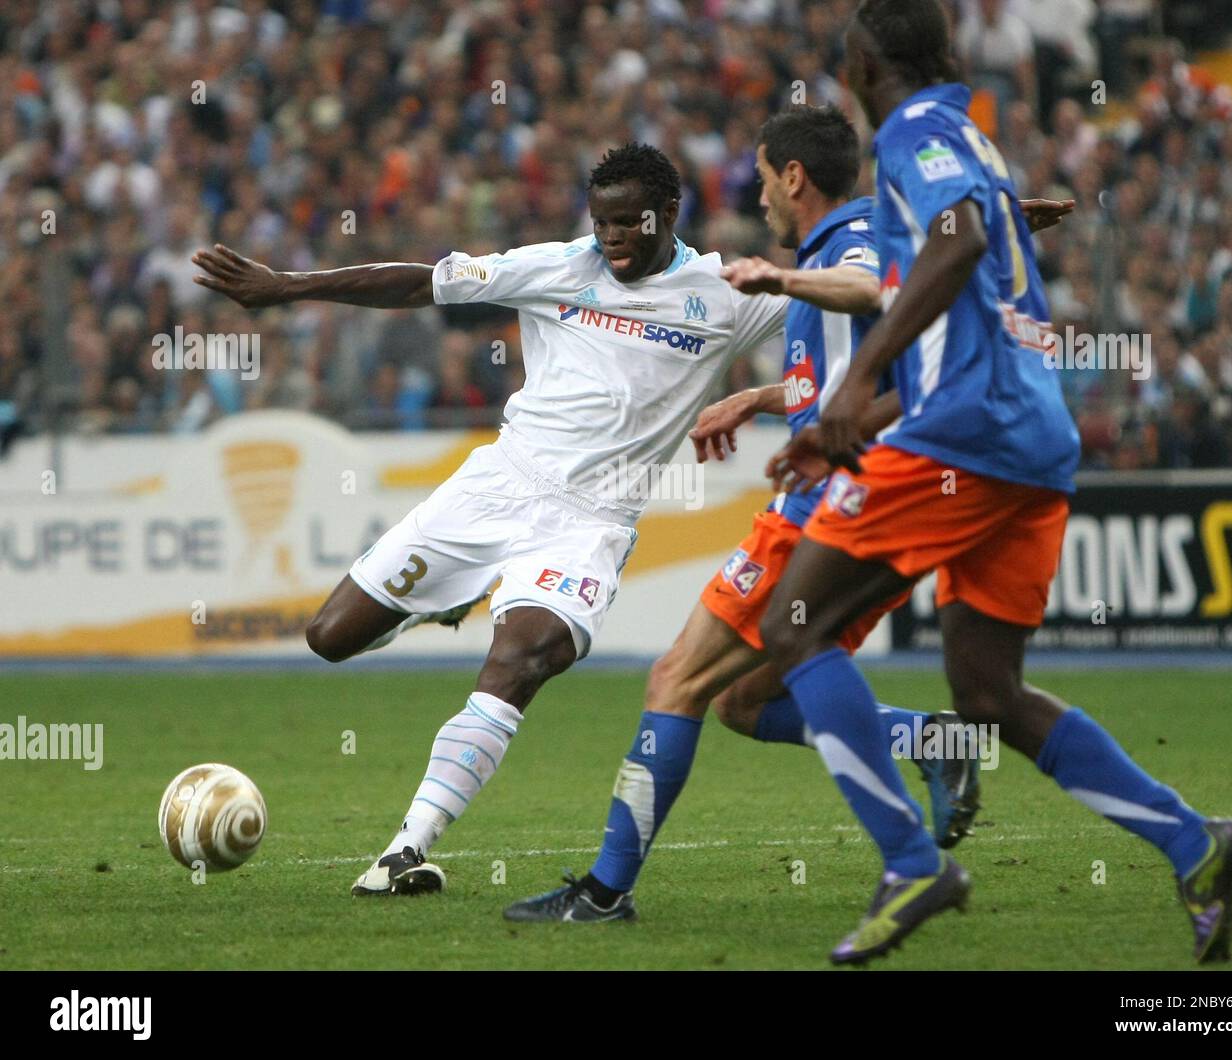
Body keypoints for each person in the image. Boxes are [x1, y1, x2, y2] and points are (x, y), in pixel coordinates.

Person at [757, 0, 1232, 965]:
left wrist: (856, 389)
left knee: (792, 627)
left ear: (863, 63)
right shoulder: (975, 141)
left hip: (968, 431)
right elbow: (955, 260)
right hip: (1035, 433)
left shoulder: (913, 133)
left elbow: (955, 245)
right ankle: (1195, 844)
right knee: (986, 692)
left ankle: (911, 863)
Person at [502, 106, 1074, 923]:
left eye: (764, 177)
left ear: (794, 177)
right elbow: (874, 345)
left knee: (678, 680)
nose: (758, 194)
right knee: (742, 701)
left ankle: (603, 891)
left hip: (829, 507)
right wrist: (762, 396)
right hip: (865, 506)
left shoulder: (846, 251)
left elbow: (895, 318)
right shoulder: (873, 228)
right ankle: (928, 739)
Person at [192, 143, 791, 897]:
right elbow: (420, 283)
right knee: (330, 637)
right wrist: (285, 287)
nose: (611, 240)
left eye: (628, 224)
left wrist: (764, 397)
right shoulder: (557, 266)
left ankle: (406, 850)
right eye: (600, 223)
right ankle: (444, 602)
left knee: (521, 660)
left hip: (589, 522)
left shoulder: (727, 294)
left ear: (670, 215)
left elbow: (846, 337)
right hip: (497, 487)